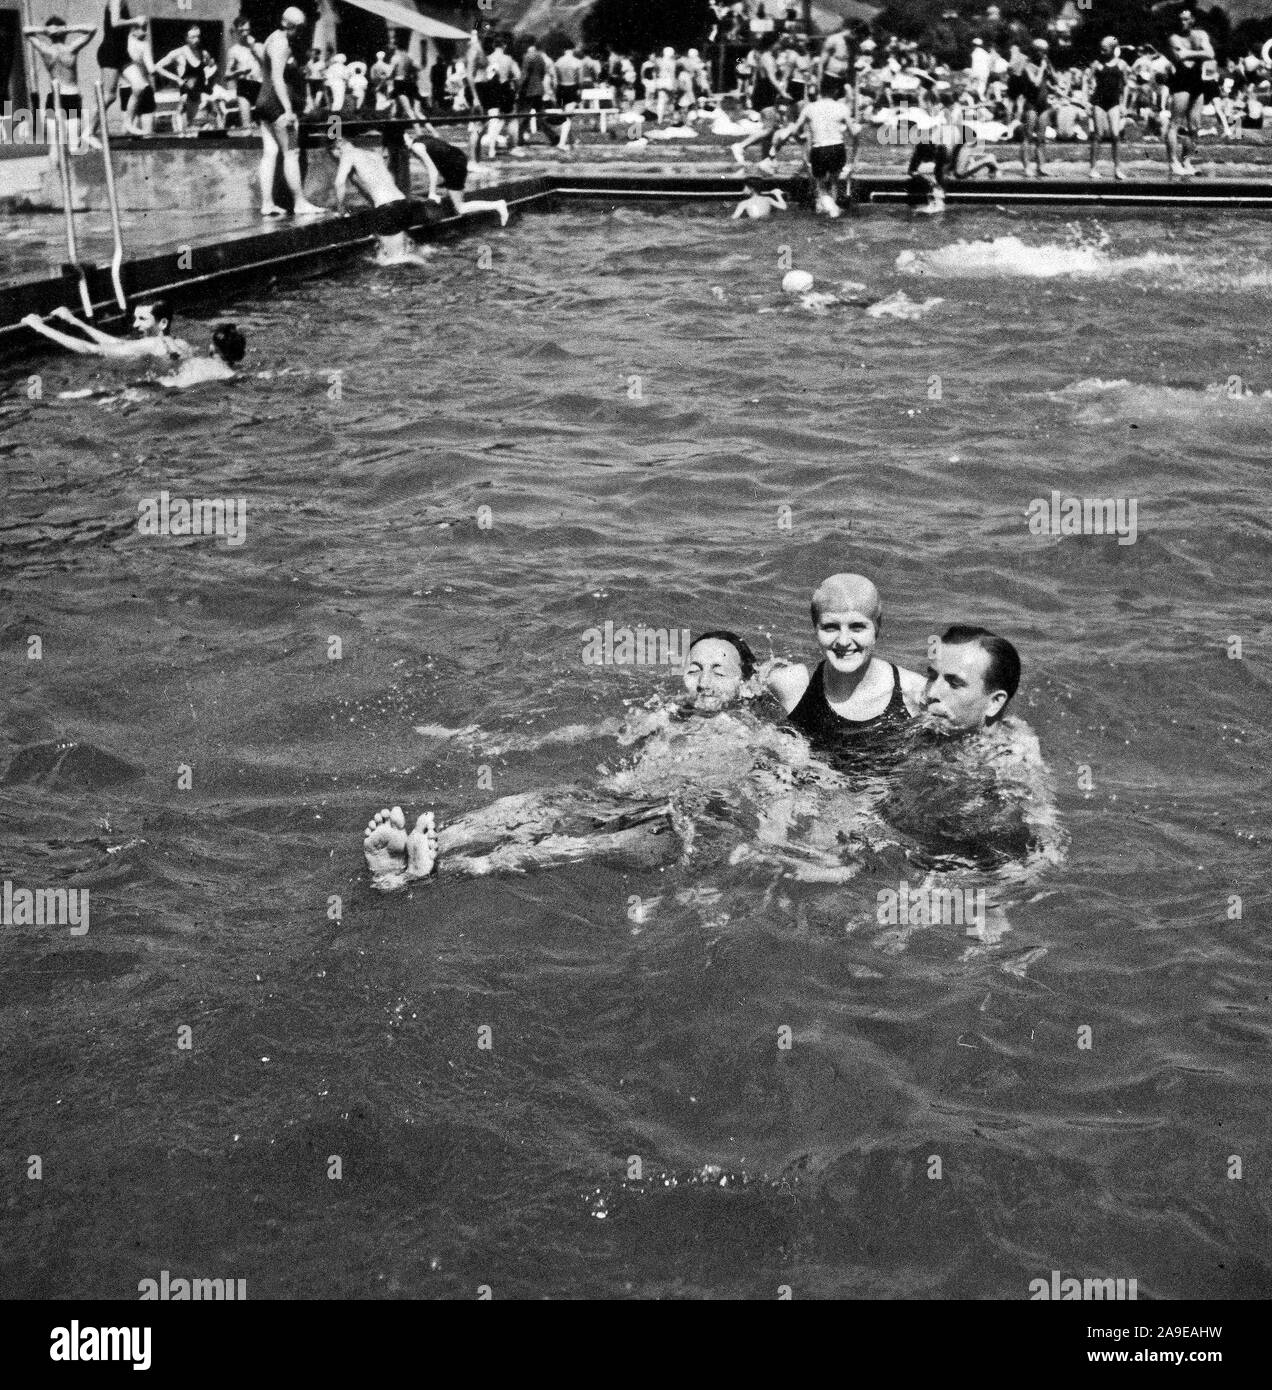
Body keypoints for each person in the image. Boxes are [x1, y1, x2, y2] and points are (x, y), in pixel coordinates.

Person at [363, 632, 811, 888]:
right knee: (527, 806)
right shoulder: (664, 715)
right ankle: (421, 845)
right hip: (613, 799)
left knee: (566, 847)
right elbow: (582, 733)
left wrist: (759, 681)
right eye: (694, 668)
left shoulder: (755, 729)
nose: (704, 681)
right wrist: (482, 741)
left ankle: (433, 873)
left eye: (720, 670)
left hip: (668, 822)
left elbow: (794, 685)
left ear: (745, 682)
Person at [765, 573, 925, 764]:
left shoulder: (914, 693)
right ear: (815, 628)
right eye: (830, 627)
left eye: (857, 627)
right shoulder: (793, 684)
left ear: (877, 627)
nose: (843, 641)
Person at [326, 130, 432, 266]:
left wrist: (340, 209)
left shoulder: (348, 154)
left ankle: (429, 268)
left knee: (392, 261)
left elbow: (339, 183)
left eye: (332, 154)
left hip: (387, 209)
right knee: (389, 257)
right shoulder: (373, 154)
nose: (335, 159)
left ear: (338, 146)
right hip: (402, 204)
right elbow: (383, 182)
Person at [256, 8, 324, 219]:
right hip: (276, 104)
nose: (301, 32)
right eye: (299, 28)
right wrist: (288, 109)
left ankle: (267, 204)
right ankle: (300, 202)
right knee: (291, 153)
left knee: (270, 152)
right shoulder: (282, 44)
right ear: (289, 25)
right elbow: (277, 78)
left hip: (263, 101)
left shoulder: (271, 39)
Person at [21, 299, 191, 361]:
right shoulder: (180, 343)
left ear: (162, 323)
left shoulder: (151, 344)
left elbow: (92, 349)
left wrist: (40, 327)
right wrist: (74, 321)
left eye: (142, 319)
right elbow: (118, 343)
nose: (134, 325)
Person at [406, 125, 510, 225]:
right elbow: (437, 153)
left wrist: (432, 193)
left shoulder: (416, 148)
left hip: (454, 166)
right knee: (448, 191)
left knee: (460, 208)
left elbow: (433, 171)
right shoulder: (419, 139)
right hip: (457, 157)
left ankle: (497, 205)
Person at [24, 18, 96, 148]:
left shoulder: (45, 49)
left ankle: (56, 169)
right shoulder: (71, 49)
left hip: (56, 97)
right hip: (69, 96)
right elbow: (92, 29)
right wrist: (66, 29)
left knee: (56, 146)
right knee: (73, 145)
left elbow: (26, 31)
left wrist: (47, 30)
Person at [790, 83, 857, 216]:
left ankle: (820, 209)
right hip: (836, 146)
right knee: (834, 182)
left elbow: (795, 129)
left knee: (820, 183)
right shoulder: (841, 107)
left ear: (819, 92)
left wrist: (800, 139)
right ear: (836, 91)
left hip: (818, 147)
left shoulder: (809, 107)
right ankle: (833, 209)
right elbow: (853, 132)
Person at [1165, 8, 1214, 176]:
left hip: (1197, 82)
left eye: (1185, 19)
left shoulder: (1201, 34)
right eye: (1180, 19)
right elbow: (1182, 61)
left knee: (1195, 126)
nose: (1182, 22)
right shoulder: (1174, 37)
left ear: (1192, 20)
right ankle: (1173, 162)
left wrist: (1189, 53)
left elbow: (1211, 54)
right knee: (1175, 123)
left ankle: (1186, 160)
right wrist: (1200, 53)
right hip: (1181, 82)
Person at [152, 25, 216, 133]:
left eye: (198, 37)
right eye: (192, 37)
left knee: (203, 130)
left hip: (200, 96)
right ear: (186, 38)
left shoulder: (203, 53)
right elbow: (157, 67)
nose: (196, 40)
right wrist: (176, 78)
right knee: (187, 131)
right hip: (186, 97)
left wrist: (208, 76)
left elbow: (213, 66)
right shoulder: (178, 53)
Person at [85, 0, 133, 146]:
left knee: (140, 85)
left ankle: (129, 122)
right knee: (109, 95)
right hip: (110, 52)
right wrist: (135, 20)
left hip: (122, 53)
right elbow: (115, 22)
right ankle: (88, 132)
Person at [1085, 36, 1131, 180]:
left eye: (1105, 49)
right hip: (1099, 102)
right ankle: (1093, 168)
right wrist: (1086, 101)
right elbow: (1086, 81)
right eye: (1101, 49)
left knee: (1116, 135)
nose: (1101, 52)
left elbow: (1126, 85)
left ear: (1113, 49)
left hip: (1114, 102)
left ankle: (1117, 168)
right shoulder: (1097, 64)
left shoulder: (1121, 64)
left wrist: (1124, 104)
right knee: (1097, 135)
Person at [157, 323, 246, 388]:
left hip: (169, 384)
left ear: (213, 348)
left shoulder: (199, 361)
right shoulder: (230, 374)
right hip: (186, 389)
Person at [1019, 38, 1055, 177]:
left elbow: (1054, 80)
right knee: (1028, 136)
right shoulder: (1028, 67)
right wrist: (1042, 68)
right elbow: (1035, 83)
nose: (1043, 54)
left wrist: (1049, 68)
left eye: (1045, 52)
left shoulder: (1045, 65)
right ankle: (1026, 166)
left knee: (1041, 138)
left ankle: (1041, 166)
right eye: (1041, 51)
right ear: (1035, 51)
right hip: (1031, 105)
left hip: (1043, 105)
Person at [225, 18, 263, 133]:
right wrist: (238, 73)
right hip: (244, 86)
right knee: (246, 126)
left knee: (265, 123)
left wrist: (253, 48)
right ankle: (247, 142)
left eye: (247, 30)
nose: (245, 33)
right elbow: (227, 75)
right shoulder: (233, 51)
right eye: (242, 31)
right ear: (236, 31)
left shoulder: (259, 46)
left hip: (260, 85)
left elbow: (266, 65)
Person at [120, 18, 156, 136]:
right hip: (144, 88)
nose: (145, 32)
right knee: (147, 133)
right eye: (143, 29)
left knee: (127, 130)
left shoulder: (122, 44)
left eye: (145, 29)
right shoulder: (143, 45)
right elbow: (151, 69)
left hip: (126, 89)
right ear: (133, 28)